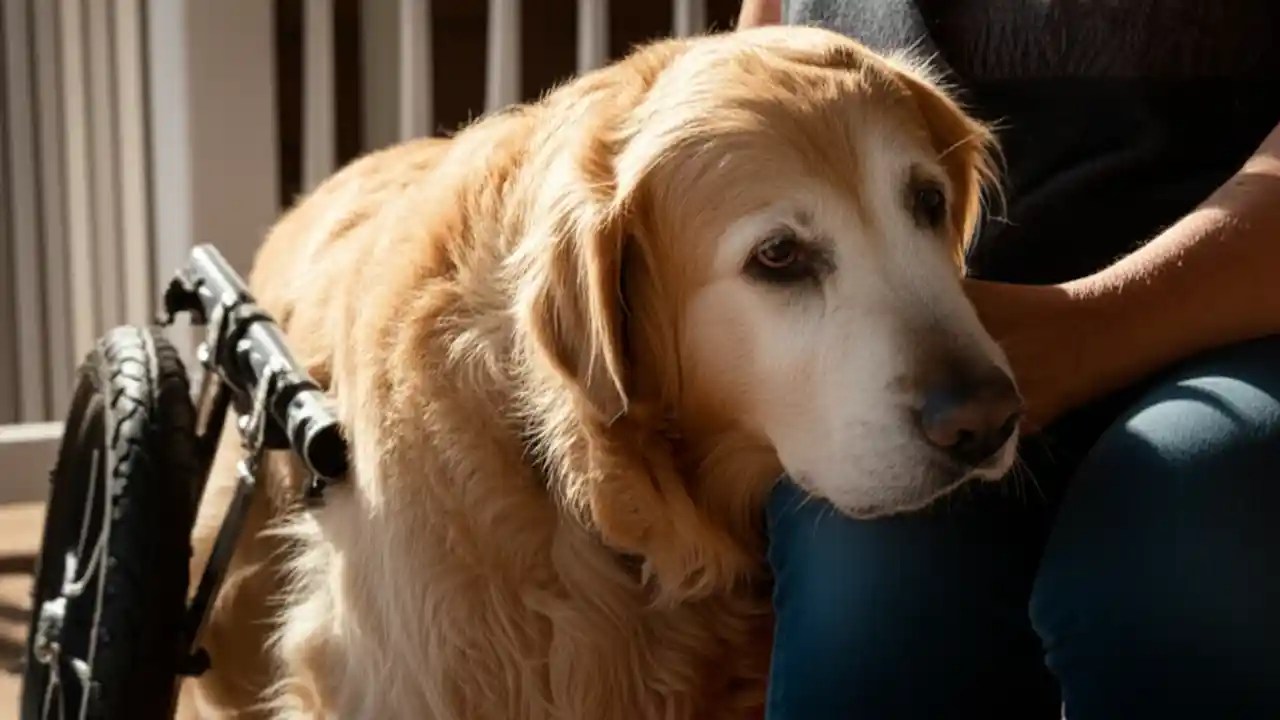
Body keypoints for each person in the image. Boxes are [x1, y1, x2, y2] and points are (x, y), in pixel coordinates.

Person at [737, 1, 1280, 718]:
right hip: (919, 371)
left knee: (1177, 547)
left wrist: (1087, 329)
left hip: (1244, 319)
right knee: (874, 583)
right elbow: (743, 82)